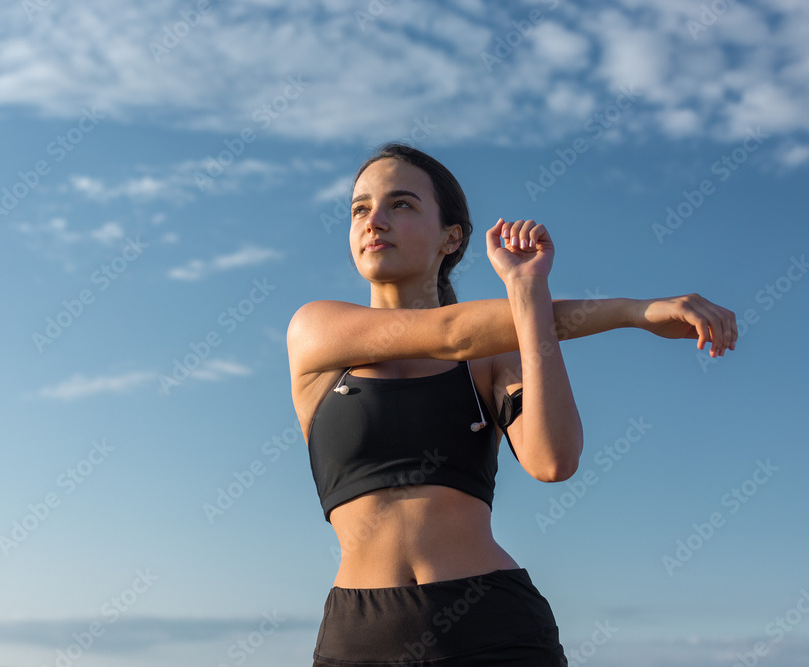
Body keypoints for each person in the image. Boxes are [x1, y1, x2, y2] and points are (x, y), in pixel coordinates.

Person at [286, 143, 737, 666]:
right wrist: (634, 311)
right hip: (360, 639)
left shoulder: (495, 357)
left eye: (401, 204)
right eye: (360, 208)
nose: (374, 221)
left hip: (493, 627)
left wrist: (528, 292)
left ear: (450, 238)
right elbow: (450, 333)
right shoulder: (316, 331)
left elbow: (553, 461)